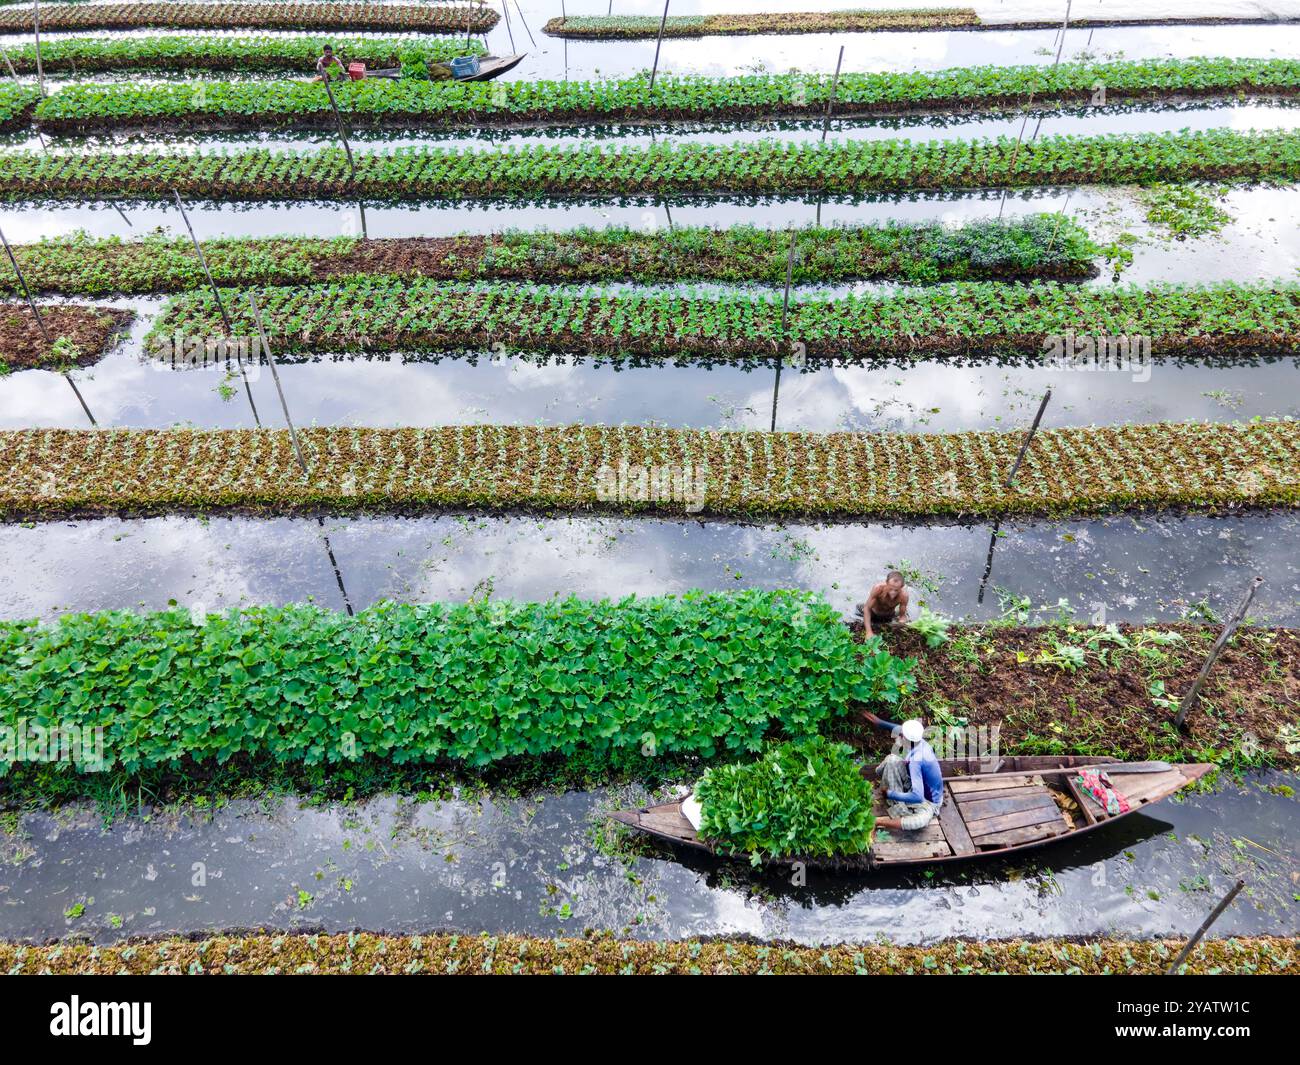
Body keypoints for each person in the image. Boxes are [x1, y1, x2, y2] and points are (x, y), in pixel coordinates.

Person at [862, 710, 943, 832]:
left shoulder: (917, 760)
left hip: (928, 801)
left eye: (901, 736)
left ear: (906, 740)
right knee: (891, 760)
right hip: (913, 781)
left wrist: (890, 794)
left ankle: (878, 821)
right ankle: (882, 775)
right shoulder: (917, 741)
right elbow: (897, 728)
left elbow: (918, 796)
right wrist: (878, 722)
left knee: (919, 821)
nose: (898, 736)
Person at [856, 570, 910, 638]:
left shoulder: (904, 596)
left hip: (889, 615)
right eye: (890, 589)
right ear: (886, 583)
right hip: (874, 613)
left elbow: (902, 616)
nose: (892, 593)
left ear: (902, 587)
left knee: (900, 624)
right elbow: (867, 609)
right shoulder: (878, 588)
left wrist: (901, 624)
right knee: (860, 608)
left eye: (896, 590)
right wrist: (868, 632)